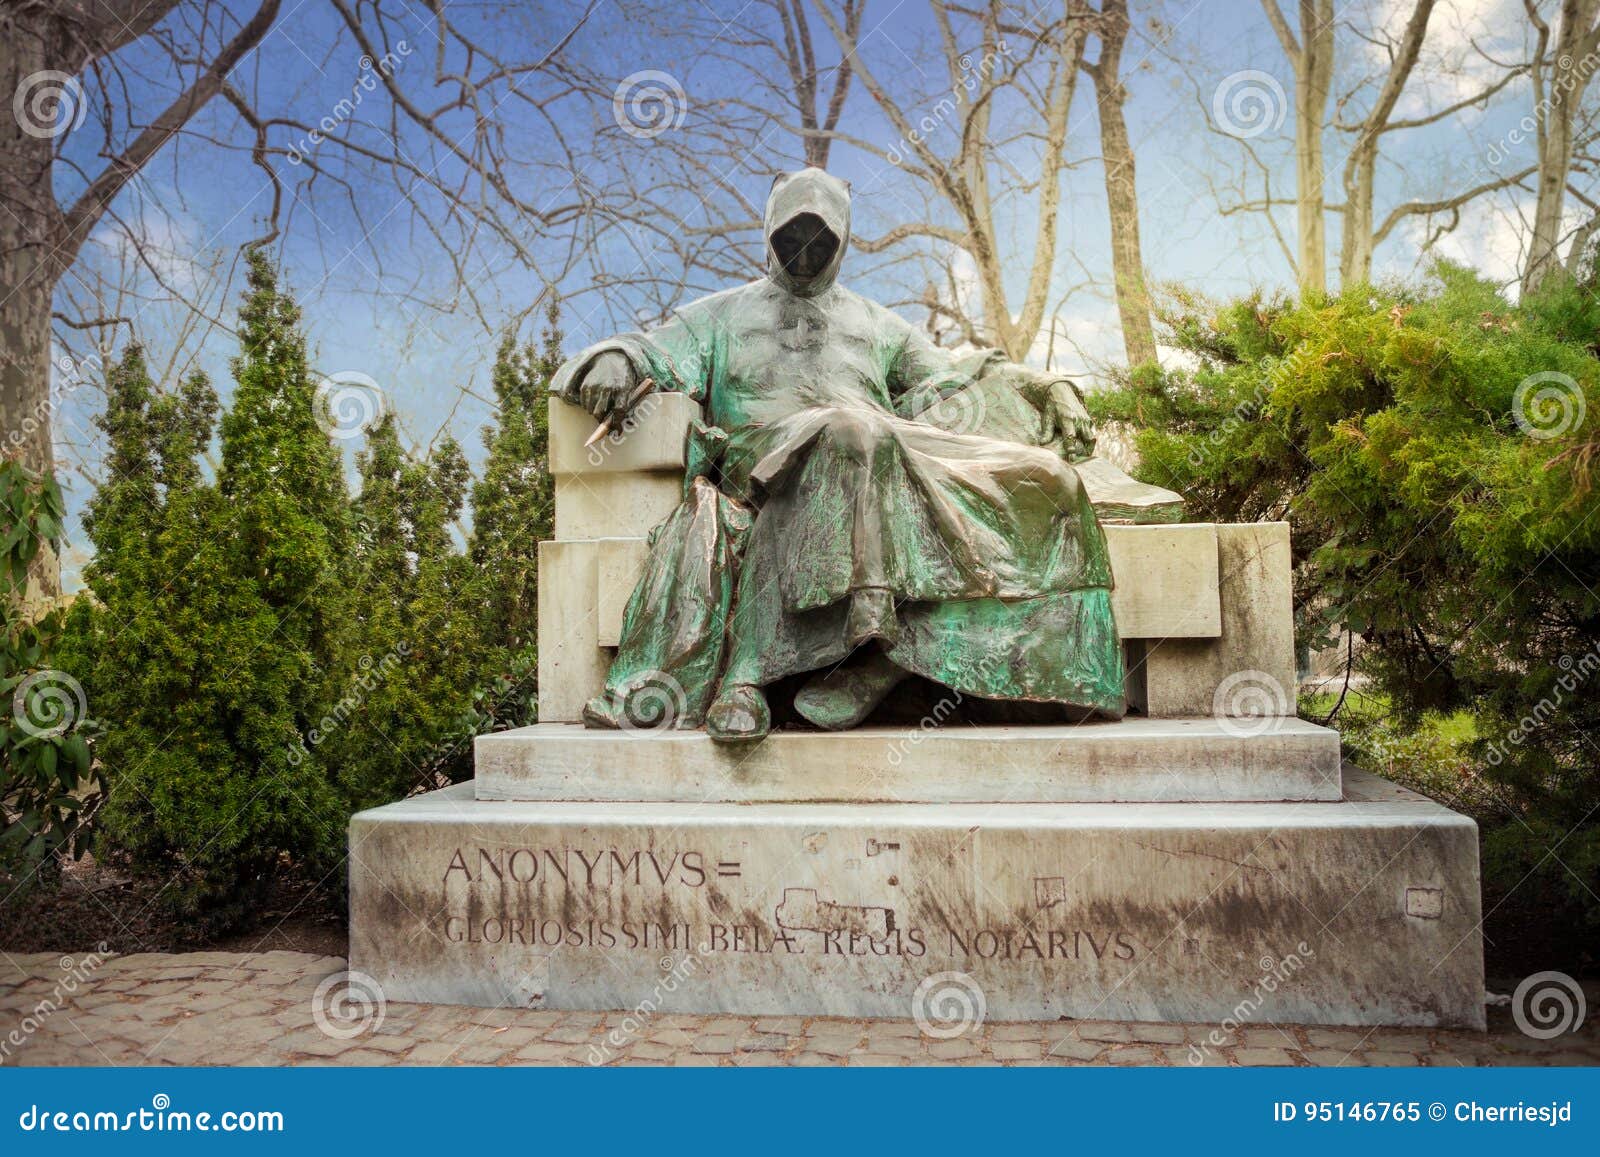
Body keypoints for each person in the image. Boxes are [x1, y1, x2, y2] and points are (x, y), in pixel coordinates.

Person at [554, 167, 1123, 741]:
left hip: (874, 452)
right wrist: (614, 359)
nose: (804, 254)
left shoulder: (877, 324)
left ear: (844, 242)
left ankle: (884, 662)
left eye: (821, 241)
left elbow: (957, 374)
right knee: (851, 430)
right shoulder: (719, 316)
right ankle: (762, 671)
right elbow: (648, 348)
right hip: (761, 454)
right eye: (790, 238)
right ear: (768, 235)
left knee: (1048, 478)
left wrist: (1047, 387)